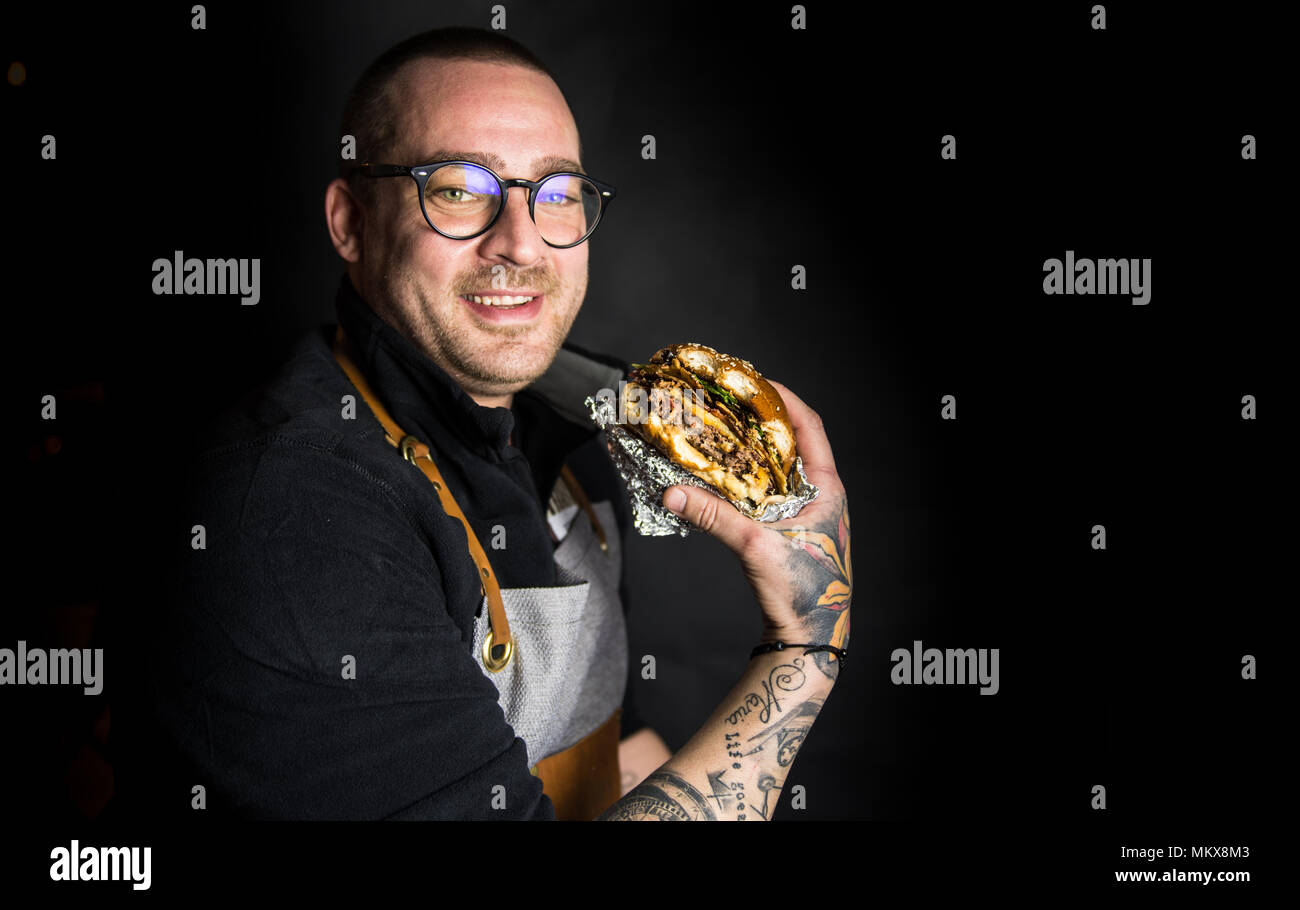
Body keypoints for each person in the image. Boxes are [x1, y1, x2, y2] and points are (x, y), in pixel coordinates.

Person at [149, 26, 851, 821]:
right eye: (458, 189)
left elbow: (612, 747)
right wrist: (805, 648)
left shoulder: (584, 430)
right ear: (350, 222)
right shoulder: (292, 515)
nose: (520, 243)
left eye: (555, 192)